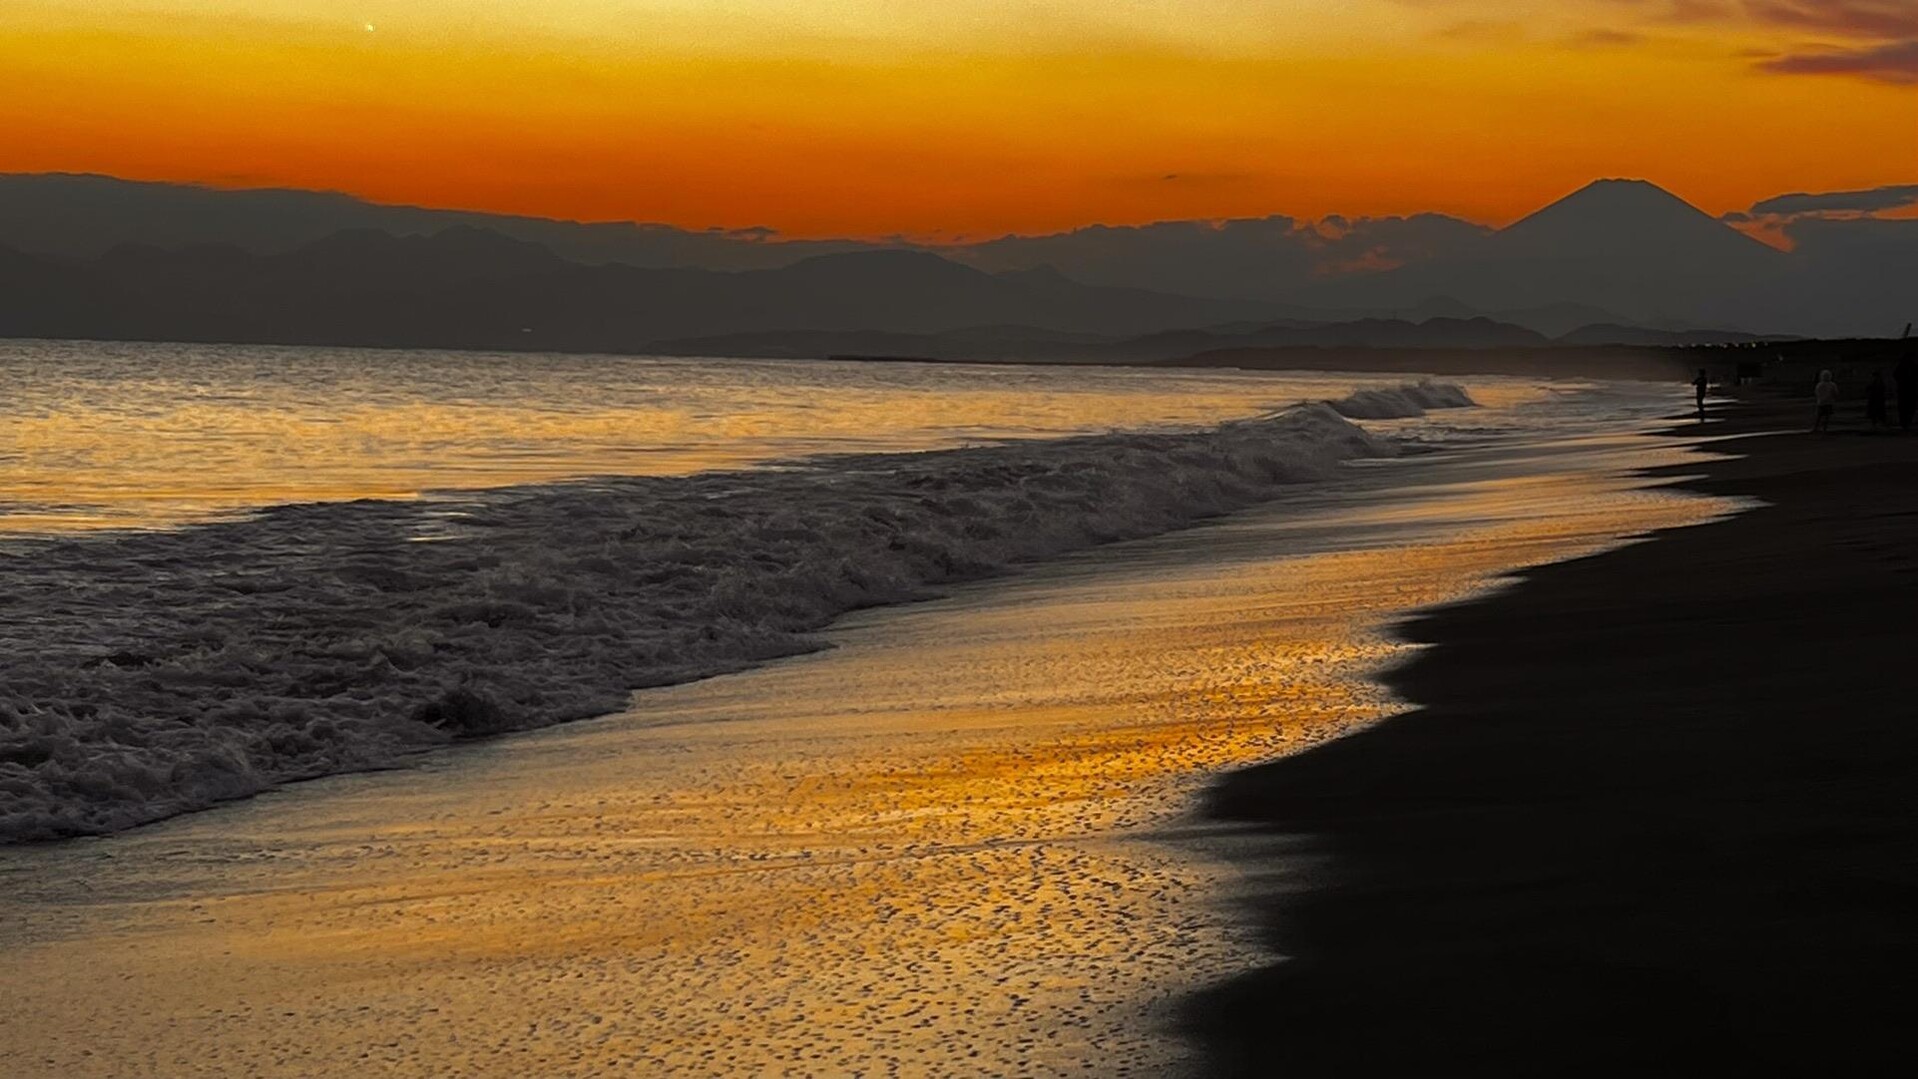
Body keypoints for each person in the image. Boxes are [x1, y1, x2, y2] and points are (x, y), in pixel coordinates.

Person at [1897, 351, 1918, 431]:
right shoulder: (1908, 365)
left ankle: (1905, 423)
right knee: (1908, 407)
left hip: (1905, 390)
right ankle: (1905, 423)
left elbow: (1895, 375)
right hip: (1908, 390)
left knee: (1906, 408)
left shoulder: (1904, 365)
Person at [1813, 369, 1838, 433]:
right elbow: (1835, 393)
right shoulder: (1832, 384)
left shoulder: (1819, 385)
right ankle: (1824, 428)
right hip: (1829, 402)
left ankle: (1816, 428)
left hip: (1821, 402)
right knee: (1827, 417)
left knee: (1819, 416)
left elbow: (1816, 393)